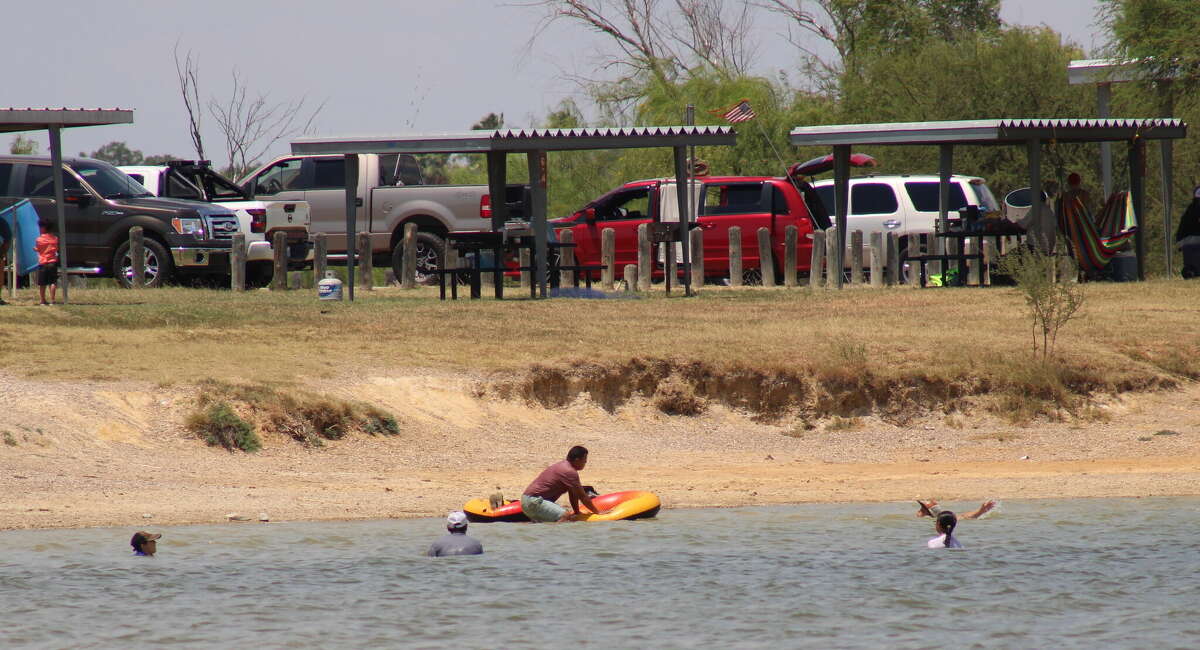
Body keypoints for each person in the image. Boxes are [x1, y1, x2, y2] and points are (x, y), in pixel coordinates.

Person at [521, 445, 609, 522]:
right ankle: (555, 539)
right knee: (565, 516)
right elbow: (583, 496)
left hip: (527, 501)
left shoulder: (564, 466)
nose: (585, 463)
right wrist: (597, 512)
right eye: (585, 461)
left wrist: (577, 512)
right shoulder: (569, 471)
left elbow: (573, 494)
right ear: (577, 460)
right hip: (533, 501)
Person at [1175, 186, 1200, 279]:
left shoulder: (1190, 209)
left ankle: (1191, 270)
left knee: (1191, 259)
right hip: (1193, 238)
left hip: (1184, 240)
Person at [35, 219, 59, 305]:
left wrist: (36, 249)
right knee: (52, 282)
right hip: (52, 262)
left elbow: (40, 250)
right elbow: (55, 249)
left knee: (42, 283)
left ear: (43, 228)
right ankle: (52, 300)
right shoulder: (55, 239)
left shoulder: (39, 239)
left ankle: (42, 300)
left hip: (43, 263)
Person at [915, 499, 996, 520]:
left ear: (929, 513)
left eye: (922, 509)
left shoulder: (941, 520)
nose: (919, 511)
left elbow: (963, 517)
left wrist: (980, 511)